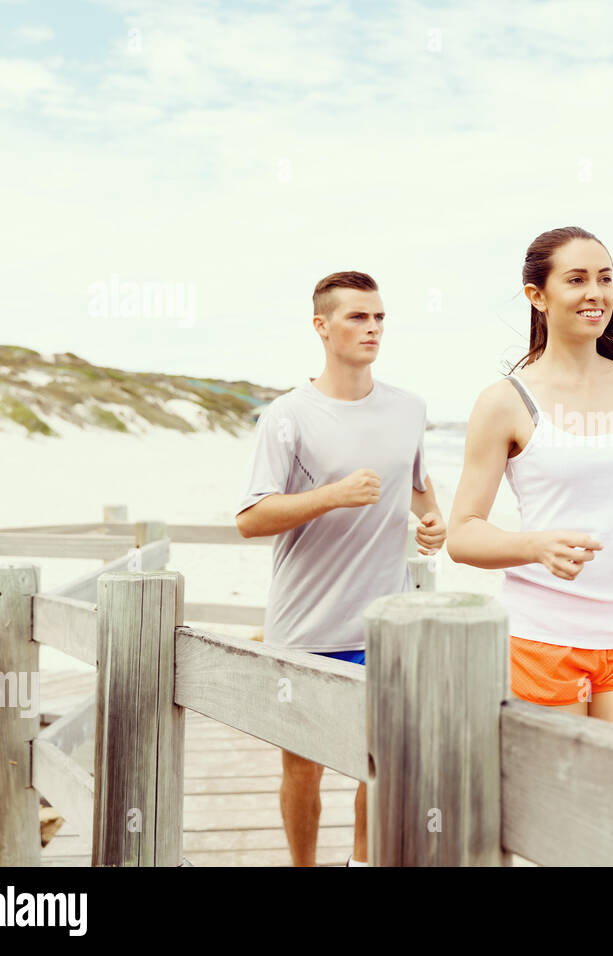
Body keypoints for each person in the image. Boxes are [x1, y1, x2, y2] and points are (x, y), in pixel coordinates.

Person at [446, 226, 613, 744]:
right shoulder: (505, 401)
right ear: (538, 297)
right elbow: (462, 534)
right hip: (540, 641)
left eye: (604, 278)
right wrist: (536, 546)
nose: (595, 293)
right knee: (552, 811)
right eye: (576, 279)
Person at [235, 270, 446, 866]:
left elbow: (417, 485)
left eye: (379, 317)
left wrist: (434, 521)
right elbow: (250, 518)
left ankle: (360, 863)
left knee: (378, 764)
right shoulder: (287, 416)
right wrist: (331, 495)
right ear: (321, 326)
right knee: (303, 770)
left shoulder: (409, 408)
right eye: (358, 316)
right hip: (305, 626)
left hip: (386, 621)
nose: (373, 327)